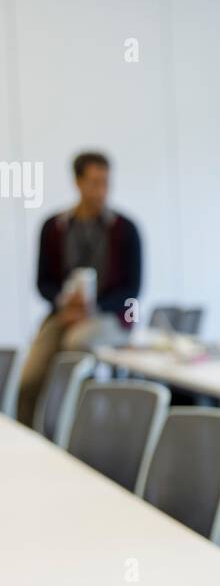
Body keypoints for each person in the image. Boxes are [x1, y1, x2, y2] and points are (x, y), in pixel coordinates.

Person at [17, 151, 142, 427]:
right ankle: (29, 439)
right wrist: (65, 303)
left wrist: (93, 308)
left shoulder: (125, 229)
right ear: (78, 183)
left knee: (75, 342)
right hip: (64, 315)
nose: (101, 191)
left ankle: (71, 427)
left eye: (106, 183)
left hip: (111, 317)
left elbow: (132, 289)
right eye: (94, 182)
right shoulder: (54, 228)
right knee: (28, 380)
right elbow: (43, 283)